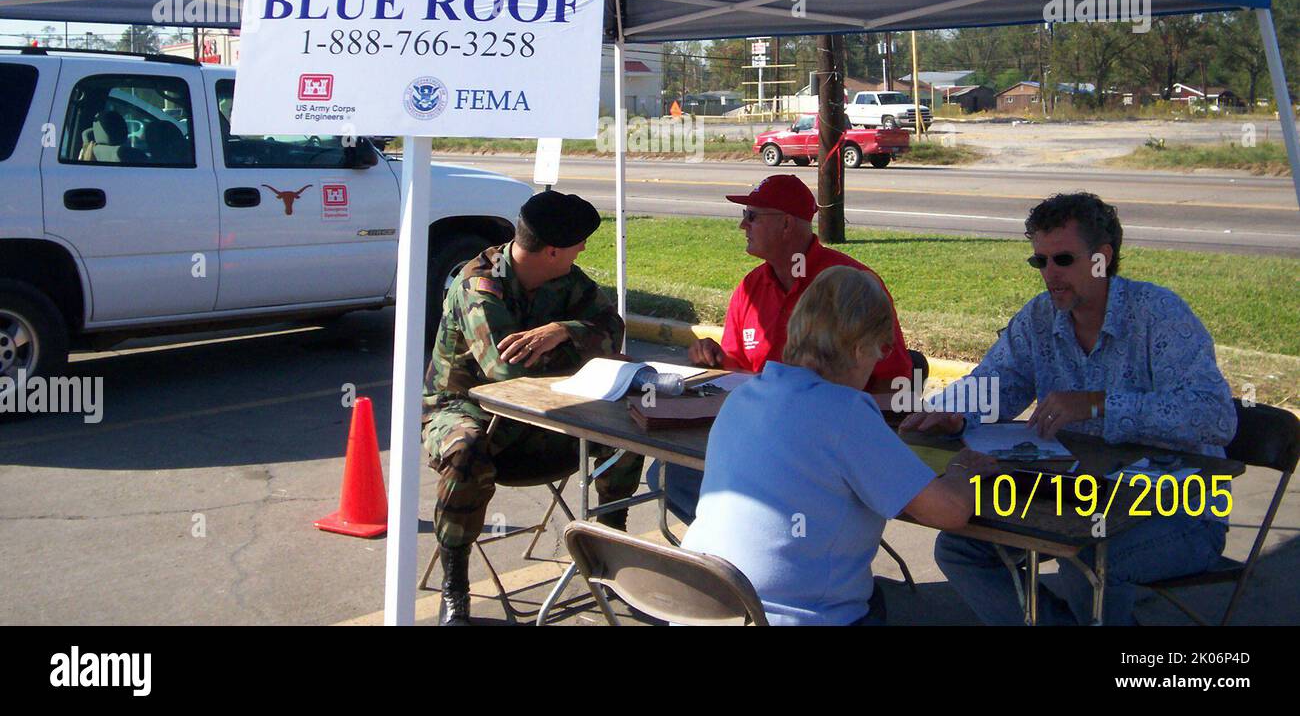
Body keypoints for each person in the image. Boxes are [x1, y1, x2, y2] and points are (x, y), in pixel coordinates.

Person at [901, 192, 1237, 625]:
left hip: (1180, 511)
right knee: (961, 548)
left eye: (1062, 260)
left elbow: (1215, 416)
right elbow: (998, 381)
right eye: (1039, 262)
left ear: (1102, 258)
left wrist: (1099, 404)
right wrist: (958, 412)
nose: (1050, 275)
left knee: (1087, 563)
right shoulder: (1040, 318)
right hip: (1076, 498)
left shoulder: (1159, 314)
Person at [682, 265, 997, 626]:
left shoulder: (742, 397)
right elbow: (950, 512)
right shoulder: (845, 412)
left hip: (704, 607)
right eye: (883, 346)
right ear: (860, 347)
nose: (882, 357)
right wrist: (963, 470)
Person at [422, 190, 642, 626]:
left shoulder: (566, 278)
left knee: (629, 428)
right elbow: (505, 372)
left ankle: (612, 545)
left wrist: (564, 330)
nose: (583, 251)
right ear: (553, 250)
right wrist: (584, 352)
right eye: (579, 244)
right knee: (465, 452)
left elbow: (611, 327)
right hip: (467, 409)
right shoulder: (479, 285)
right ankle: (456, 587)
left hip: (547, 413)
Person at [659, 174, 917, 520]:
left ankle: (760, 545)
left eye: (752, 216)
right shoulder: (750, 287)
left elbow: (896, 384)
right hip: (765, 431)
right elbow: (735, 372)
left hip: (823, 443)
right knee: (672, 472)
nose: (742, 225)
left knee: (688, 476)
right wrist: (711, 354)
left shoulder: (851, 286)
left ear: (785, 224)